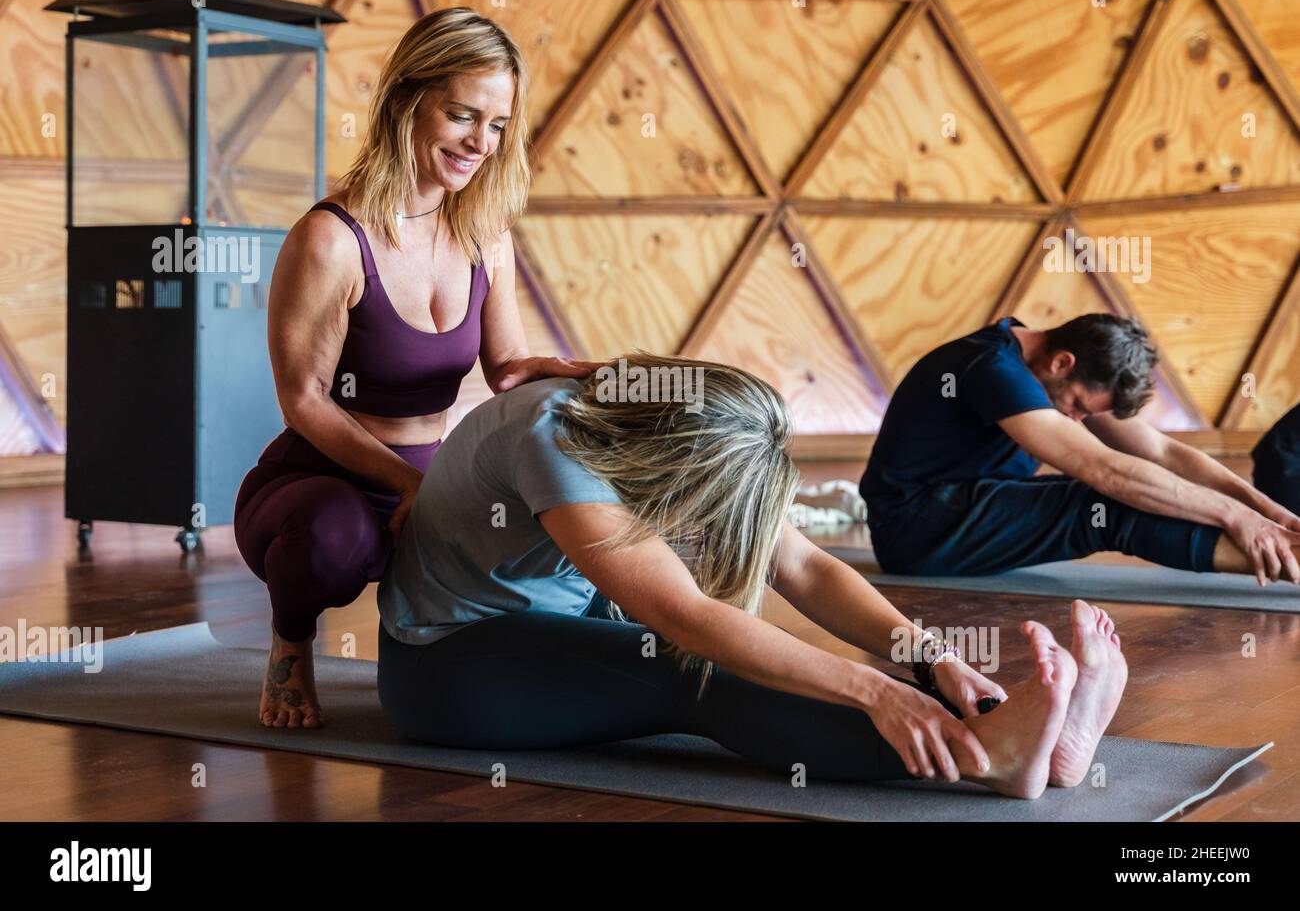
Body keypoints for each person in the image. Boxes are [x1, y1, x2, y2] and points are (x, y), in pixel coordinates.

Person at [376, 352, 1130, 797]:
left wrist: (927, 658)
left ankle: (1029, 739)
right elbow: (689, 618)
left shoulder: (657, 414)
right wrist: (876, 690)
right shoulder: (553, 444)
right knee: (688, 668)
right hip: (446, 668)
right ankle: (989, 757)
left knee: (718, 655)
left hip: (557, 626)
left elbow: (802, 562)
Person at [233, 8, 597, 729]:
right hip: (319, 482)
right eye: (462, 114)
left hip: (435, 476)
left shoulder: (485, 232)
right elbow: (303, 400)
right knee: (339, 540)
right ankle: (289, 643)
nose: (480, 143)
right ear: (407, 100)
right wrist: (407, 484)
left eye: (497, 125)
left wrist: (564, 368)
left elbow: (507, 370)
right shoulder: (330, 239)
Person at [859, 313, 1300, 586]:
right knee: (1102, 503)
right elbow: (1106, 470)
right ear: (1062, 363)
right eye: (1076, 408)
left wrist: (1264, 511)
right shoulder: (993, 368)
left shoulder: (1060, 371)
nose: (1076, 421)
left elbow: (1164, 454)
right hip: (913, 529)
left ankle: (1286, 549)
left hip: (963, 508)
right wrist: (1233, 516)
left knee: (1137, 487)